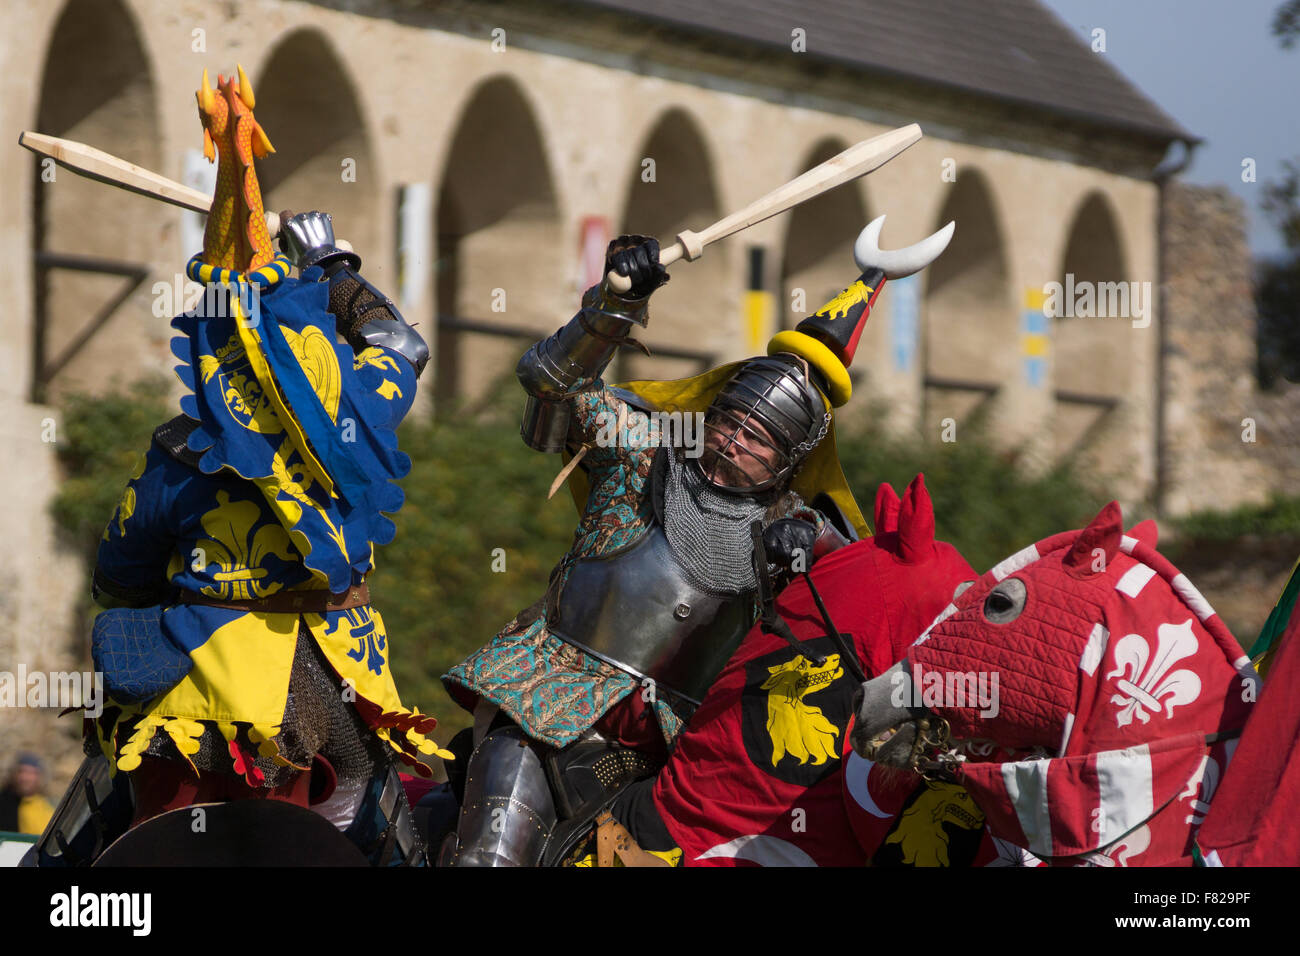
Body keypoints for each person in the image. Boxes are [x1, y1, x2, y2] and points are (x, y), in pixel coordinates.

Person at [68, 69, 448, 865]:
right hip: (334, 674)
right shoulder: (360, 412)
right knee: (386, 835)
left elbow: (121, 569)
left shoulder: (184, 450)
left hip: (204, 678)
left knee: (106, 793)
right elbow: (399, 346)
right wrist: (338, 266)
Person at [440, 234, 885, 866]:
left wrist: (814, 568)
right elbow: (549, 388)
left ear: (789, 463)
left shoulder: (801, 532)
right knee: (489, 859)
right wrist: (615, 307)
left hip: (675, 755)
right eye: (730, 421)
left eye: (758, 439)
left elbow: (873, 607)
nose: (733, 442)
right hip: (547, 705)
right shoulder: (645, 451)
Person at [0, 753, 54, 835]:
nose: (25, 778)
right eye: (22, 771)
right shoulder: (4, 803)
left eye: (31, 773)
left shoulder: (45, 807)